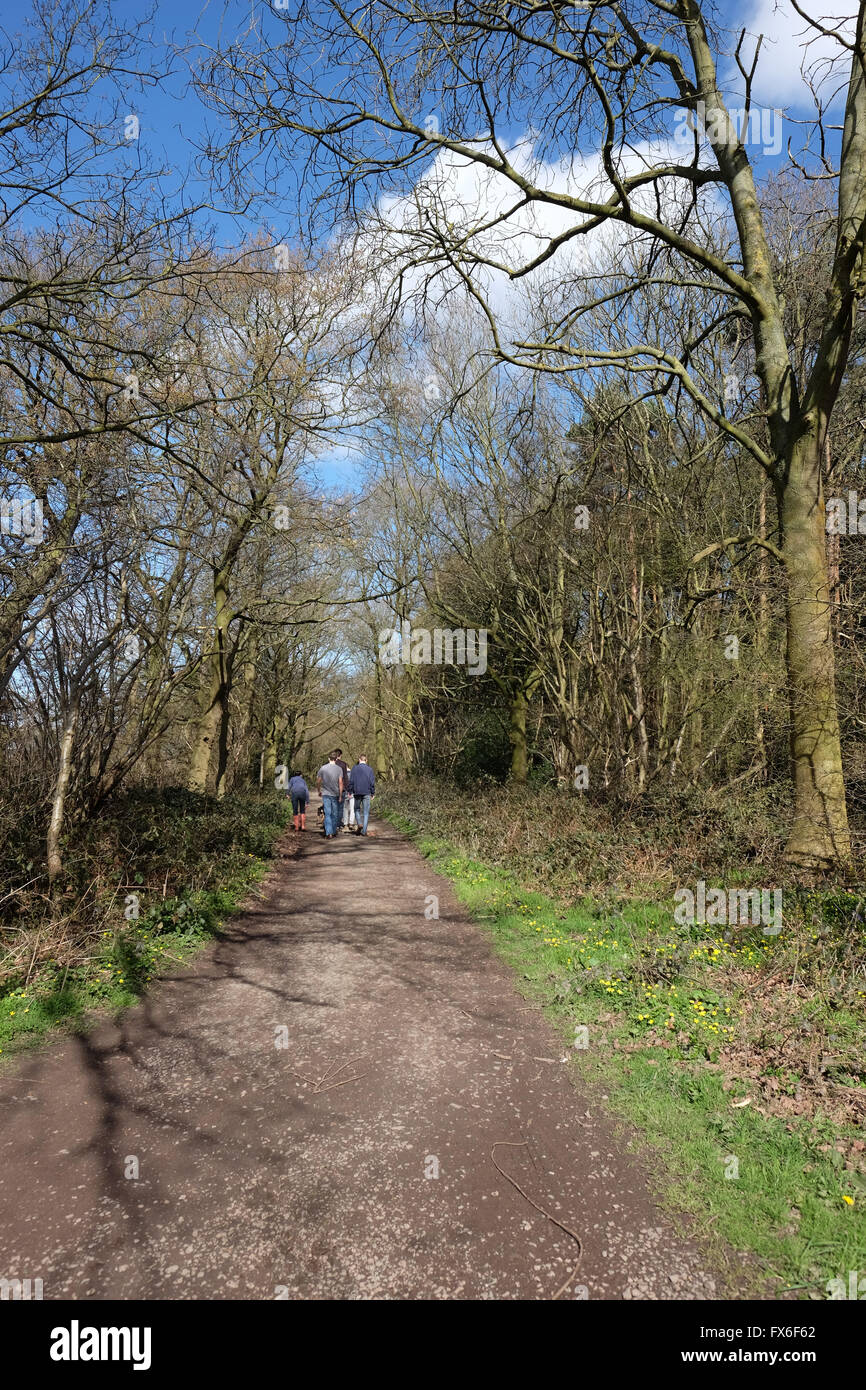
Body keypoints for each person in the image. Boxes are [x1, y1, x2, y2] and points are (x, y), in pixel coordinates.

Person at [316, 753, 343, 839]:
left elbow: (318, 781)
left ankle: (328, 832)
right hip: (335, 794)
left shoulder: (323, 768)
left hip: (326, 794)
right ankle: (333, 831)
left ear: (328, 759)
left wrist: (319, 790)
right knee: (334, 813)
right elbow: (340, 783)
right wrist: (340, 795)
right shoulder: (339, 769)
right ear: (336, 759)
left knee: (327, 813)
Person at [348, 754, 375, 836]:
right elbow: (372, 782)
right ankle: (364, 831)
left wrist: (350, 791)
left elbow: (351, 781)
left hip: (357, 792)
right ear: (366, 760)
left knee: (356, 809)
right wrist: (372, 792)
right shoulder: (370, 769)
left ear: (359, 759)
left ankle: (359, 823)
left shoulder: (354, 768)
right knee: (366, 812)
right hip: (367, 792)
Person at [333, 747, 350, 831]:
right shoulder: (343, 764)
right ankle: (338, 824)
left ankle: (333, 823)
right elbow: (345, 777)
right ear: (341, 755)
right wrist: (348, 788)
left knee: (333, 806)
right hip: (341, 788)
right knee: (340, 807)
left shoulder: (329, 764)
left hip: (331, 788)